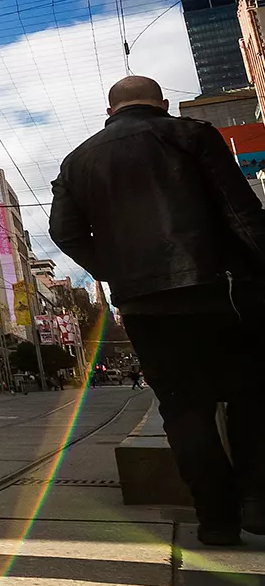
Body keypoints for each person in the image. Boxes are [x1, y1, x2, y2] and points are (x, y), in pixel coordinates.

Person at [52, 74, 265, 545]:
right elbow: (239, 209)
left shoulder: (76, 162)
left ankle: (216, 519)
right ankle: (257, 499)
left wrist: (118, 271)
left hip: (144, 305)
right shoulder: (191, 135)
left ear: (109, 111)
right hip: (219, 290)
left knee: (183, 408)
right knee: (251, 394)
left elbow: (65, 234)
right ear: (163, 103)